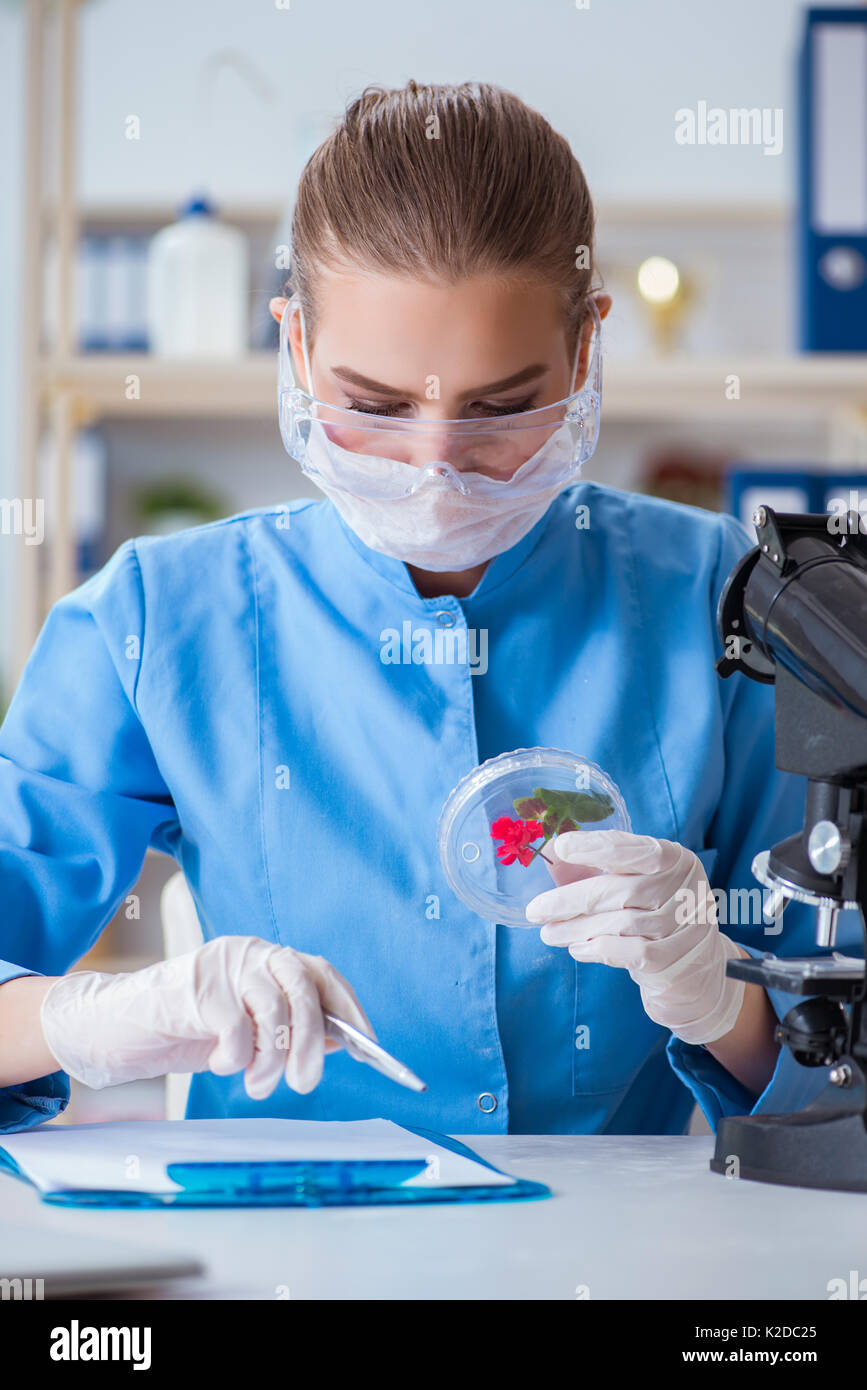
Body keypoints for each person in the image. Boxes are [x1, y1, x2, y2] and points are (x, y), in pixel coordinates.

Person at [0, 80, 852, 1139]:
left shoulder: (729, 603)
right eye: (374, 406)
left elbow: (839, 1083)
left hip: (628, 1254)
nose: (436, 467)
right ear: (296, 348)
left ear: (588, 348)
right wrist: (97, 1018)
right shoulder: (157, 617)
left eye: (502, 408)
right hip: (284, 1247)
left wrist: (725, 1004)